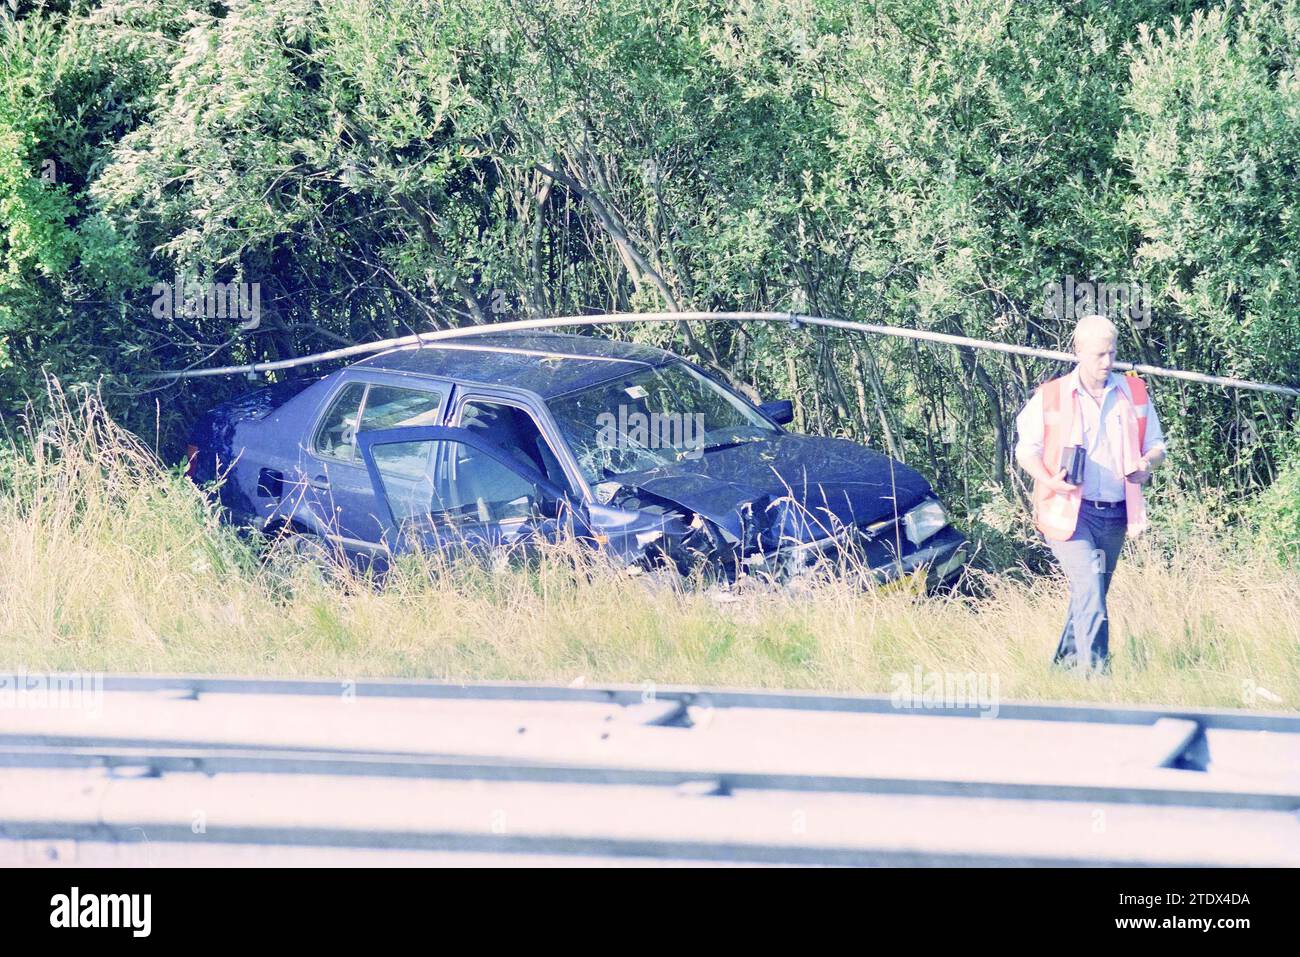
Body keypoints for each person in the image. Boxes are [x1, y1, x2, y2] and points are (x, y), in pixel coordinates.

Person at [1014, 314, 1167, 673]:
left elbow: (1157, 446)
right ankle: (1097, 682)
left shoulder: (1134, 392)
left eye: (1111, 354)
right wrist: (1050, 481)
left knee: (1091, 593)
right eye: (1099, 355)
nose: (1107, 363)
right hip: (1070, 514)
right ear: (1078, 351)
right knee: (1091, 595)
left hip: (1115, 514)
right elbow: (1025, 451)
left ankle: (1062, 669)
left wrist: (1146, 464)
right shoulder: (1051, 396)